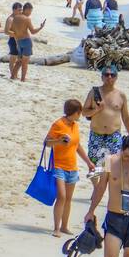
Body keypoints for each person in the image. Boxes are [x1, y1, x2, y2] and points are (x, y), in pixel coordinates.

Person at [45, 99, 92, 237]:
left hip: (72, 167)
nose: (80, 116)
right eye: (79, 113)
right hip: (58, 165)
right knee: (61, 196)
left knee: (68, 199)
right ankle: (56, 228)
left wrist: (88, 162)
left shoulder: (75, 126)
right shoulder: (58, 124)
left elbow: (77, 146)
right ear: (75, 112)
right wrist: (59, 141)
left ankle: (64, 226)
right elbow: (47, 142)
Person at [82, 64, 129, 174]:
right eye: (106, 74)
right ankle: (97, 189)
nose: (109, 77)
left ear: (116, 77)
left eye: (112, 75)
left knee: (111, 168)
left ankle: (108, 188)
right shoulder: (94, 92)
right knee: (94, 168)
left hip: (113, 137)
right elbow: (84, 112)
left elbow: (125, 117)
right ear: (102, 77)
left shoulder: (121, 95)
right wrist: (96, 110)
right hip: (96, 135)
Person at [8, 2, 46, 82]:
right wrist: (40, 28)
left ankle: (12, 76)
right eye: (30, 11)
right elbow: (32, 32)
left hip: (18, 42)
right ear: (27, 10)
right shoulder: (27, 19)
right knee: (25, 62)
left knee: (19, 61)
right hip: (26, 41)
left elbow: (12, 30)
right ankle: (23, 79)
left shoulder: (15, 18)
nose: (30, 13)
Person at [2, 1, 23, 80]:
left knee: (20, 59)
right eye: (19, 10)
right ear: (14, 10)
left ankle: (15, 75)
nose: (20, 12)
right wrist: (15, 34)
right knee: (13, 59)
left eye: (21, 10)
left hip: (19, 40)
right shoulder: (10, 19)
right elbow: (6, 31)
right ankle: (13, 75)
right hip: (13, 40)